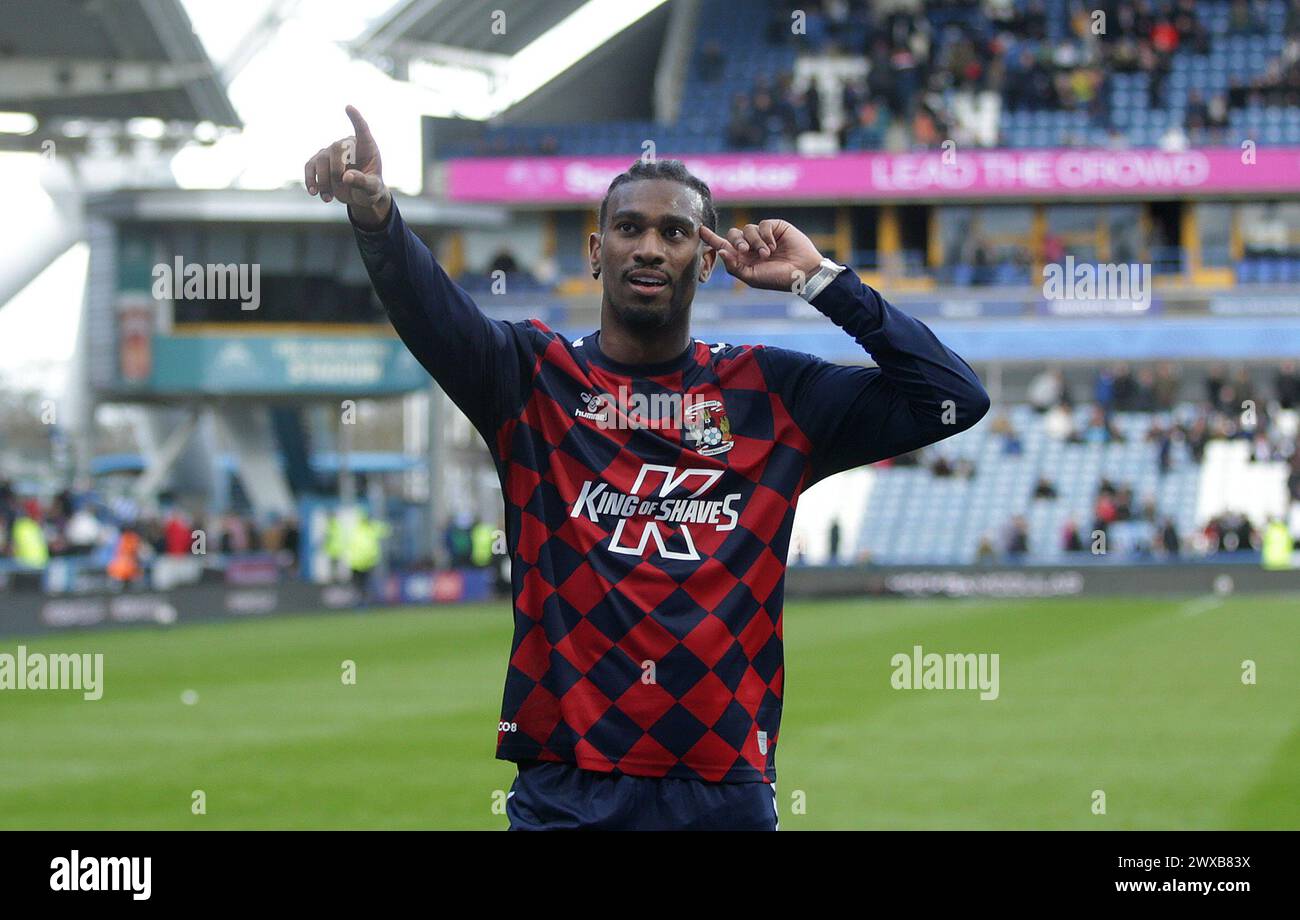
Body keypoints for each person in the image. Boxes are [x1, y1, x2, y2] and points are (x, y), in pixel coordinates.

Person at [305, 106, 989, 831]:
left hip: (724, 785)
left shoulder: (773, 395)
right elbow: (429, 308)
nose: (651, 248)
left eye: (676, 232)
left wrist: (819, 280)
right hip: (568, 785)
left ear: (707, 257)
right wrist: (378, 216)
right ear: (596, 251)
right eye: (629, 229)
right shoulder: (532, 381)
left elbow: (954, 396)